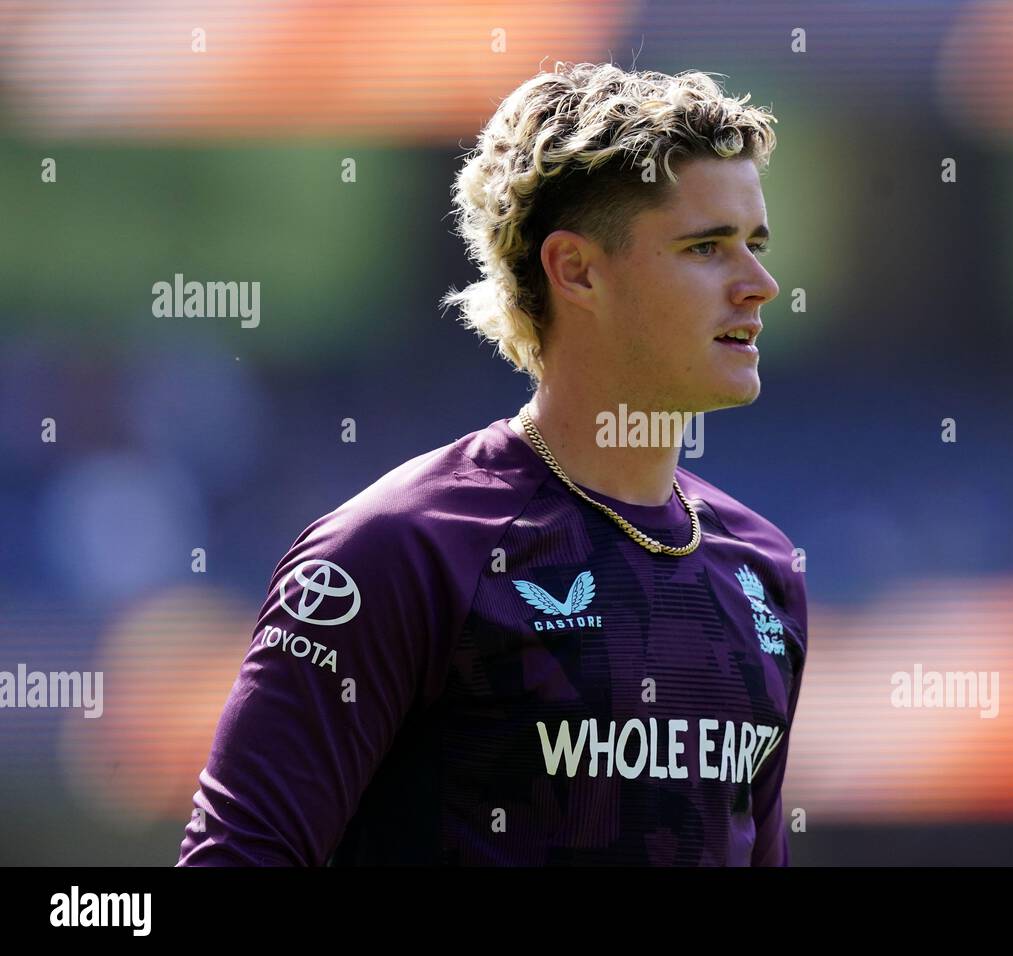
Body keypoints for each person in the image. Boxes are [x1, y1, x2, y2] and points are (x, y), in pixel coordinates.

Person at [177, 60, 806, 866]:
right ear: (576, 270)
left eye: (754, 243)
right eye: (707, 247)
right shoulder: (401, 550)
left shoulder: (764, 570)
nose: (761, 284)